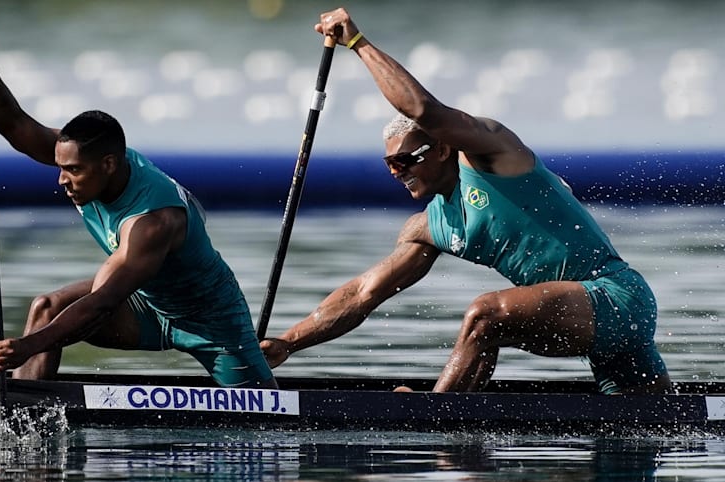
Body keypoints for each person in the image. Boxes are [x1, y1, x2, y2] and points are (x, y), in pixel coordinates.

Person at [259, 8, 672, 395]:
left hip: (618, 298)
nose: (397, 172)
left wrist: (358, 43)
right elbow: (363, 294)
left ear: (441, 148)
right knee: (654, 431)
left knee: (484, 315)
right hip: (581, 321)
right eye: (390, 164)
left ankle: (438, 419)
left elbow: (425, 110)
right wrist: (287, 343)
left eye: (405, 160)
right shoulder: (429, 226)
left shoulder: (494, 154)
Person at [0, 24, 277, 389]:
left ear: (108, 164)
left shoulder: (154, 220)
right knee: (46, 307)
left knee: (264, 412)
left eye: (73, 171)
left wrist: (26, 346)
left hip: (210, 320)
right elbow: (11, 122)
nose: (62, 180)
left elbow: (104, 301)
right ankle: (23, 409)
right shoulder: (88, 159)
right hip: (147, 305)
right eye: (61, 168)